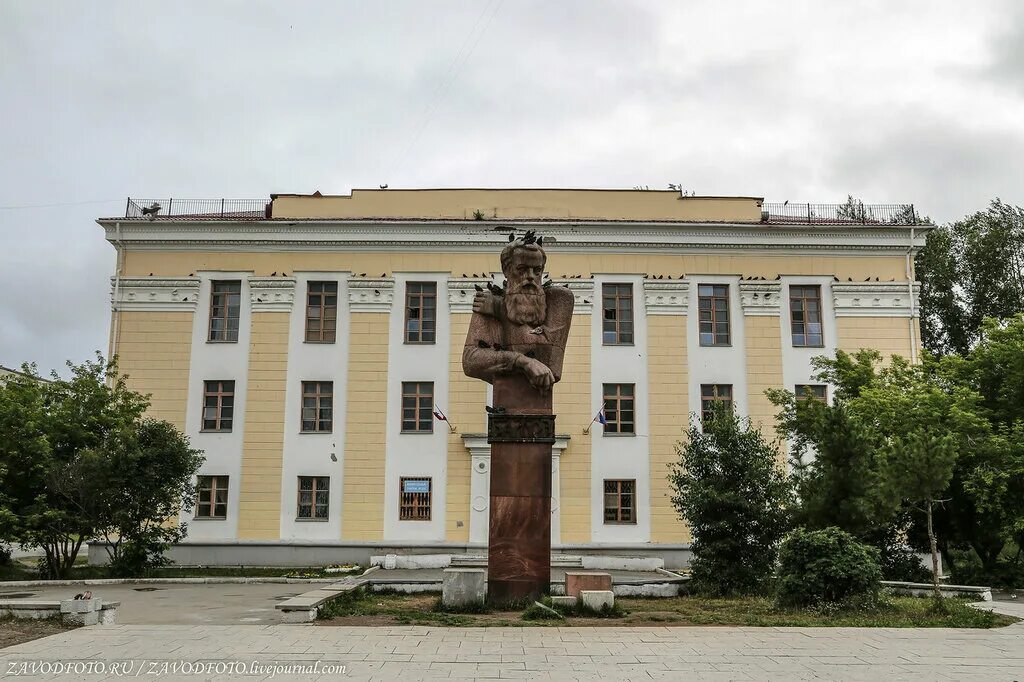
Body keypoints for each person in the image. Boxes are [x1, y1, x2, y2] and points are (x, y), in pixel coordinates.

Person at [462, 234, 574, 394]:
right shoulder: (488, 301)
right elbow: (470, 361)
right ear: (506, 270)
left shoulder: (558, 299)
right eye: (522, 269)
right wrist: (521, 361)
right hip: (505, 404)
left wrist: (501, 310)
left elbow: (550, 362)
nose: (530, 276)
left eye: (537, 270)